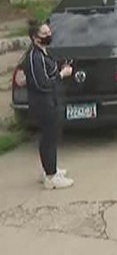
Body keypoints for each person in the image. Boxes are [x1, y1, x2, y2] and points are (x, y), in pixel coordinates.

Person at [22, 19, 74, 189]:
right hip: (43, 104)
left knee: (53, 135)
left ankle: (50, 168)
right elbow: (41, 83)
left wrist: (62, 66)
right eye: (44, 34)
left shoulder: (44, 52)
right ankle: (50, 177)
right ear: (35, 38)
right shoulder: (34, 57)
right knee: (49, 138)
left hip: (51, 101)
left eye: (49, 32)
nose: (49, 35)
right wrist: (61, 74)